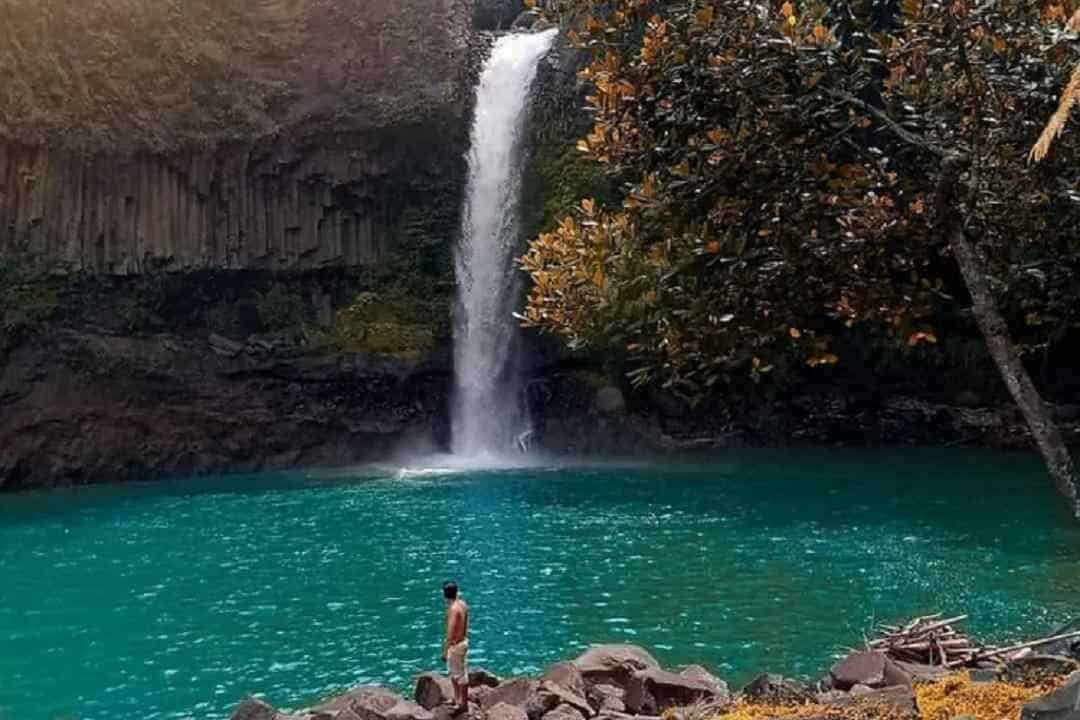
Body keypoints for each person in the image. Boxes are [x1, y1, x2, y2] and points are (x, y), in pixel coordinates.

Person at [440, 581, 470, 713]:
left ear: (445, 595)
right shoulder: (463, 605)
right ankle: (457, 698)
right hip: (463, 641)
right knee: (454, 673)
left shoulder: (453, 609)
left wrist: (445, 650)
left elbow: (450, 632)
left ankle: (462, 704)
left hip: (456, 645)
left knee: (459, 675)